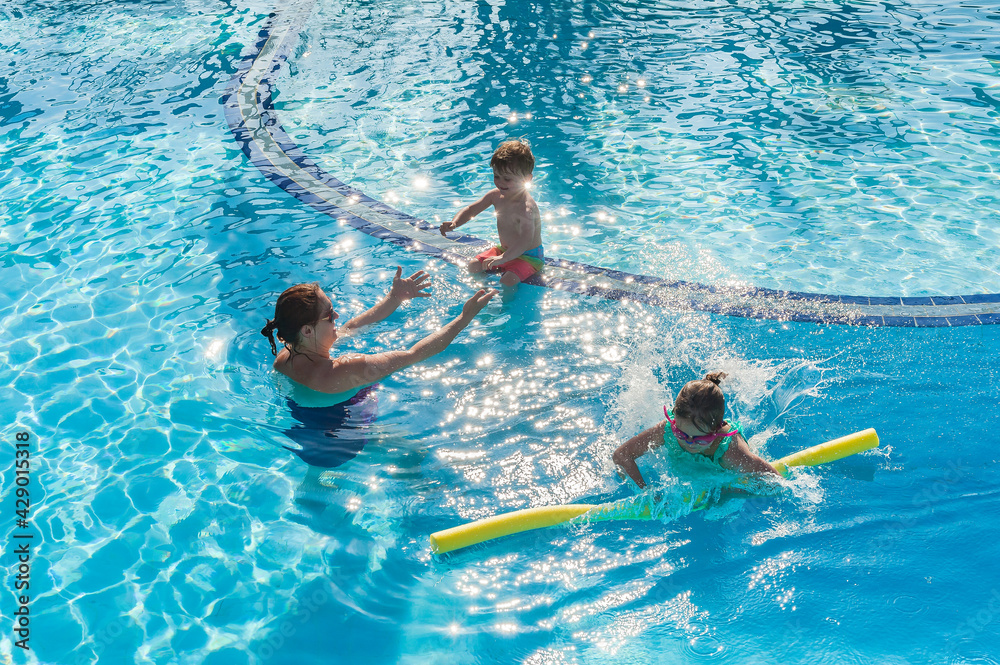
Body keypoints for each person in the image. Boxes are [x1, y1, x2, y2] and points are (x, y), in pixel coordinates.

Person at [260, 268, 496, 469]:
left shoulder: (284, 357)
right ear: (308, 331)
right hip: (345, 441)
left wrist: (394, 298)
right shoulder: (346, 369)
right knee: (416, 454)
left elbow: (352, 326)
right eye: (330, 315)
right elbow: (415, 354)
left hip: (307, 437)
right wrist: (464, 318)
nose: (338, 316)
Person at [612, 372, 780, 489]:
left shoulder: (730, 452)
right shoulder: (667, 429)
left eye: (700, 439)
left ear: (717, 430)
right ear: (674, 419)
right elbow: (621, 455)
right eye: (681, 434)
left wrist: (731, 493)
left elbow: (776, 482)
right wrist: (644, 491)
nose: (689, 443)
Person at [438, 139, 544, 288]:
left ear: (527, 179)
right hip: (504, 250)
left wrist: (503, 258)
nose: (500, 183)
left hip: (528, 257)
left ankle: (505, 308)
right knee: (473, 265)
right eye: (497, 176)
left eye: (507, 179)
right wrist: (455, 222)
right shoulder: (495, 196)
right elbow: (471, 210)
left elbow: (525, 241)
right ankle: (483, 294)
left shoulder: (526, 208)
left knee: (507, 280)